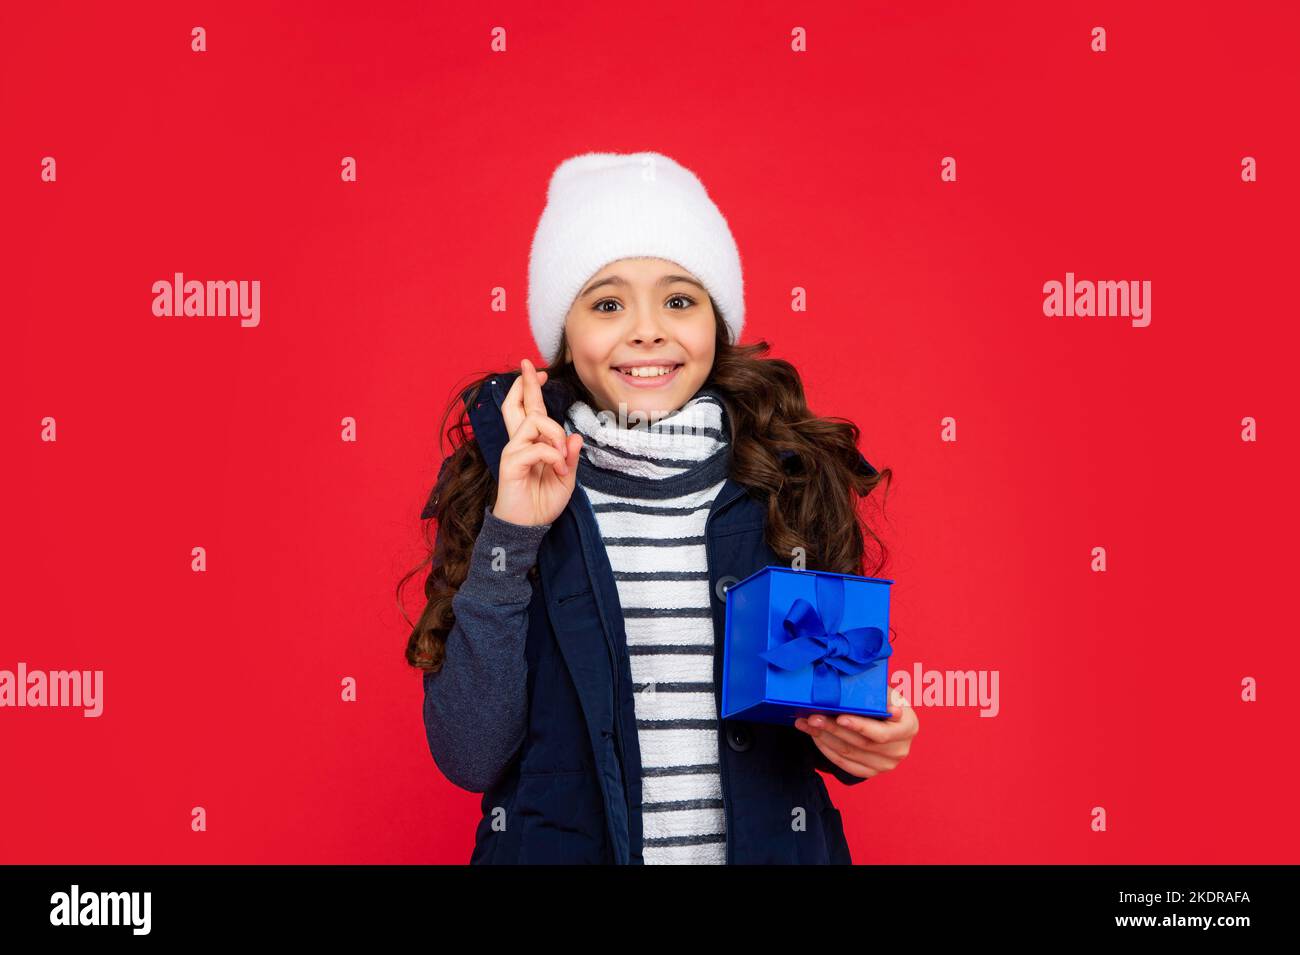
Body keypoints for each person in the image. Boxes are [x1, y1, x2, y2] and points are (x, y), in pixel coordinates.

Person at [402, 151, 917, 864]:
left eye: (679, 299)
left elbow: (825, 705)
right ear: (563, 334)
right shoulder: (505, 488)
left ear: (718, 321)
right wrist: (514, 528)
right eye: (608, 303)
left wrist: (866, 738)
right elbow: (469, 753)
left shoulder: (790, 477)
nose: (647, 330)